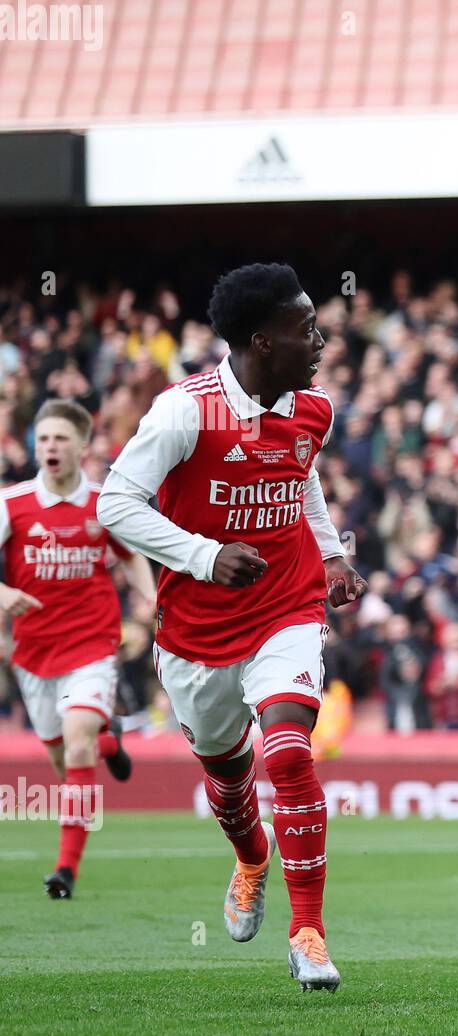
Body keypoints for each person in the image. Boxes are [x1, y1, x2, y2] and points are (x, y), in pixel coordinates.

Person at [97, 264, 367, 992]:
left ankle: (307, 931)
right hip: (196, 633)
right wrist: (205, 556)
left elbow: (300, 474)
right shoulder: (183, 412)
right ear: (261, 341)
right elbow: (116, 504)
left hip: (287, 606)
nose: (319, 339)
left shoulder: (313, 409)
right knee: (229, 777)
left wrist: (333, 553)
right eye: (305, 328)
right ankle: (252, 859)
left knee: (288, 754)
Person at [0, 400, 155, 899]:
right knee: (69, 762)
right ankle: (111, 744)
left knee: (78, 737)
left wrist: (149, 598)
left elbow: (131, 557)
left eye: (60, 438)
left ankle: (65, 870)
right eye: (43, 439)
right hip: (33, 653)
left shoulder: (105, 504)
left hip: (92, 643)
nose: (50, 447)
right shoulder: (12, 505)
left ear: (82, 447)